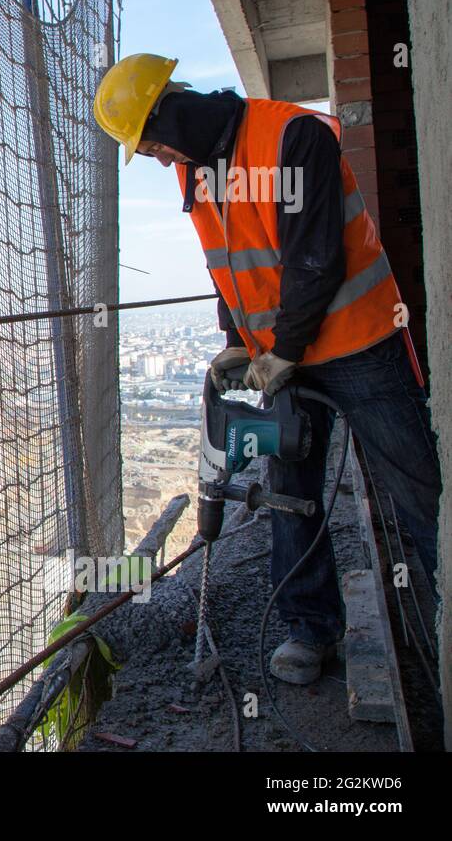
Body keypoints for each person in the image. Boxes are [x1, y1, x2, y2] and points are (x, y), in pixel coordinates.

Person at [93, 53, 442, 684]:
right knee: (290, 493)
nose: (162, 162)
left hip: (358, 344)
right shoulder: (197, 171)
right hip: (285, 357)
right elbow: (226, 263)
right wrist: (236, 339)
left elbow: (316, 259)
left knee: (414, 483)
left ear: (168, 110)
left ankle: (443, 603)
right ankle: (310, 629)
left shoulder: (292, 136)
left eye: (154, 149)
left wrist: (281, 350)